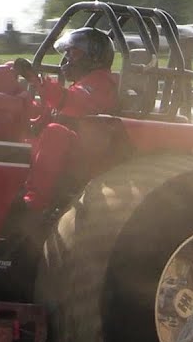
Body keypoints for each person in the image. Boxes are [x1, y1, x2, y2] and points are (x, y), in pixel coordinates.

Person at [12, 27, 120, 213]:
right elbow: (52, 112)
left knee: (55, 133)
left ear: (93, 57)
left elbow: (72, 104)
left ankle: (34, 202)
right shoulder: (84, 82)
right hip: (78, 143)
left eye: (74, 53)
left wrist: (35, 80)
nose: (68, 59)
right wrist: (20, 103)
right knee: (19, 135)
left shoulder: (102, 82)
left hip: (92, 152)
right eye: (67, 53)